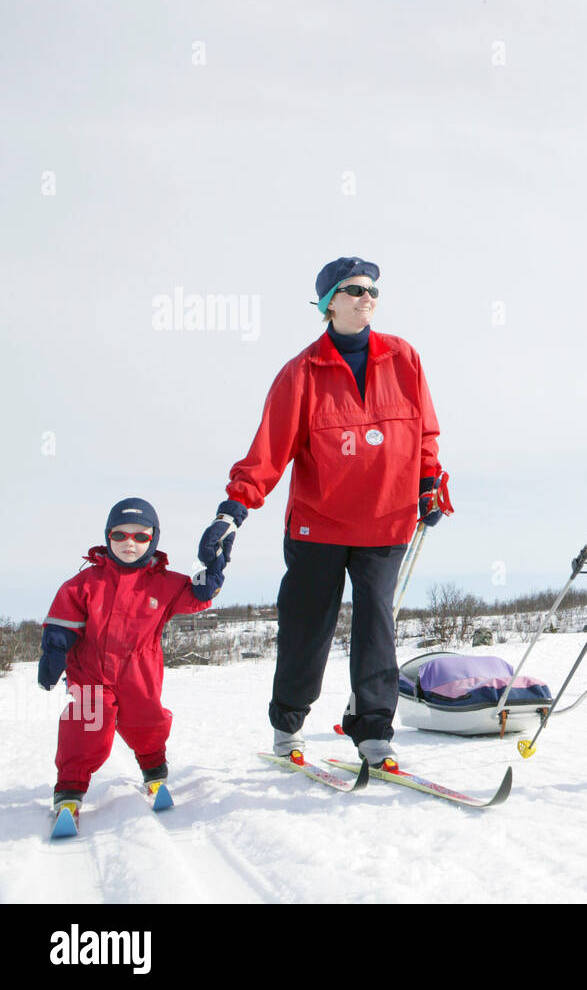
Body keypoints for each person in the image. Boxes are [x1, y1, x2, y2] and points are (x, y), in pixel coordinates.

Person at [199, 256, 451, 770]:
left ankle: (374, 730)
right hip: (319, 524)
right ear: (328, 301)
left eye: (374, 291)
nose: (368, 298)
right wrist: (233, 510)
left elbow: (425, 431)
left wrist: (429, 483)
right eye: (356, 290)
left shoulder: (404, 358)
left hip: (386, 521)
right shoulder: (301, 373)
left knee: (377, 623)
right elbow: (268, 451)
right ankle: (287, 724)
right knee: (308, 624)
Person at [39, 497, 225, 812]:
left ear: (154, 539)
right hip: (90, 673)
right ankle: (69, 787)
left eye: (141, 536)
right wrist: (54, 651)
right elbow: (61, 623)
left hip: (140, 674)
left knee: (147, 722)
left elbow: (200, 594)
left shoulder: (166, 583)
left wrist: (216, 562)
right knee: (86, 726)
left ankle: (154, 769)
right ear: (107, 535)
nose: (130, 543)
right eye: (120, 535)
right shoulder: (84, 584)